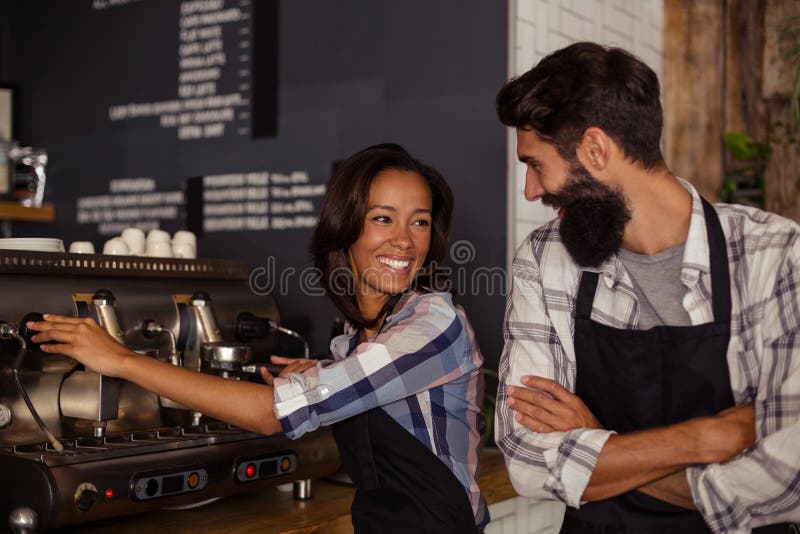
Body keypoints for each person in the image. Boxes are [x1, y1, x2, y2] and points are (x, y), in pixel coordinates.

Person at [29, 144, 488, 533]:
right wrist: (322, 374)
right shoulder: (361, 333)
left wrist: (122, 360)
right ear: (344, 227)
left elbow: (270, 416)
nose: (405, 241)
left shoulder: (433, 322)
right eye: (384, 219)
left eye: (420, 222)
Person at [494, 42, 800, 533]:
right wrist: (706, 438)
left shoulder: (777, 254)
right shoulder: (544, 256)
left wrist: (596, 440)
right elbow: (530, 463)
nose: (532, 191)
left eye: (535, 164)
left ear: (596, 149)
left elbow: (787, 479)